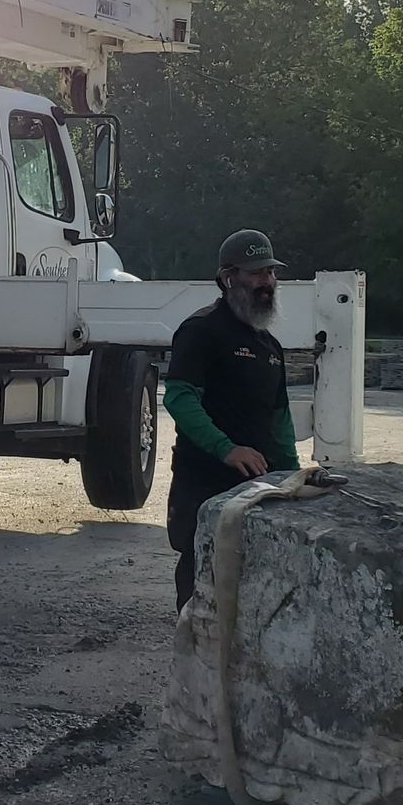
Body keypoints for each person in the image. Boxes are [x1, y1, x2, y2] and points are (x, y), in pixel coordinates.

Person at [160, 229, 300, 610]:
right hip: (205, 483)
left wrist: (293, 475)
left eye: (270, 273)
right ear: (228, 278)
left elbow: (280, 416)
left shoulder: (270, 346)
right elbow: (179, 397)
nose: (267, 282)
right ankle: (193, 664)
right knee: (200, 583)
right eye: (256, 273)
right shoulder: (201, 330)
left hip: (259, 489)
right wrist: (226, 449)